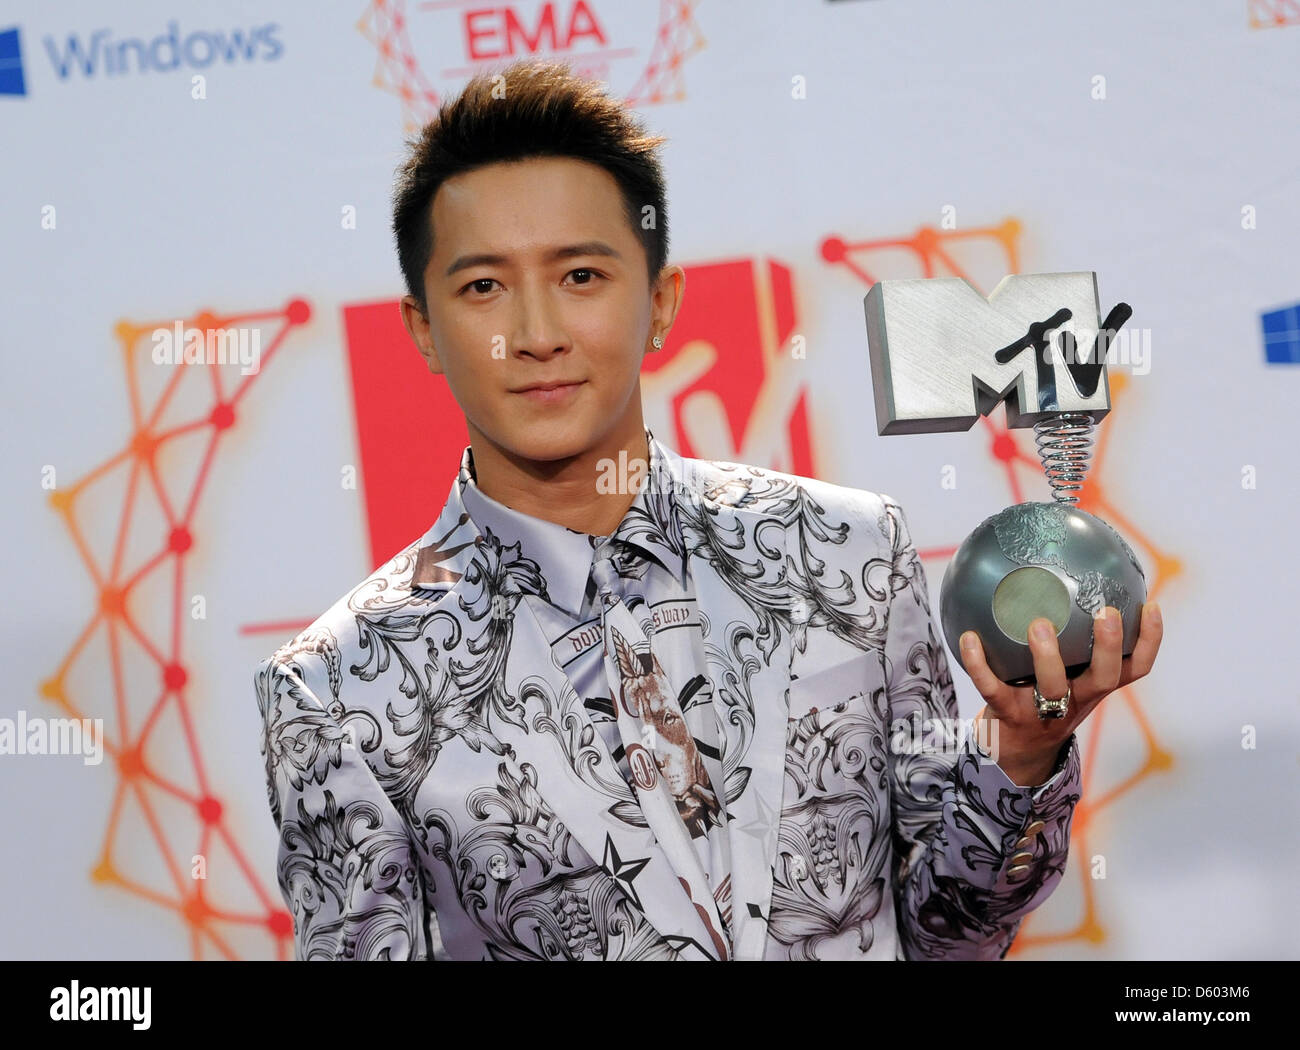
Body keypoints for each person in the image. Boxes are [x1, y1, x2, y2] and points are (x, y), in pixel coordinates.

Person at [253, 59, 1162, 961]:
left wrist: (1024, 754)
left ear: (660, 302)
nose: (536, 334)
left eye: (580, 275)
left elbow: (946, 935)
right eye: (483, 286)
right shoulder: (338, 688)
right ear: (422, 329)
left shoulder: (846, 552)